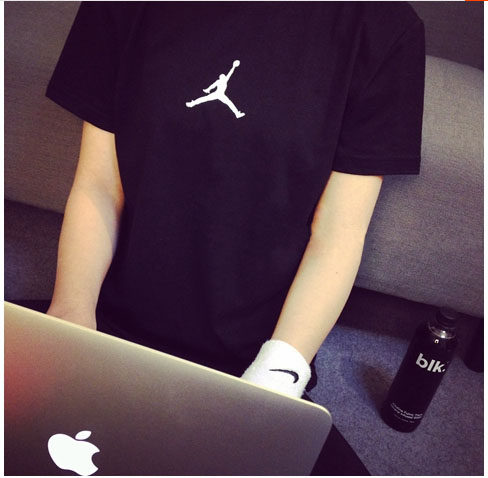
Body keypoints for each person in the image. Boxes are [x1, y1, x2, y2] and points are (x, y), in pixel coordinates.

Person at [45, 1, 425, 474]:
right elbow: (99, 186)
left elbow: (338, 235)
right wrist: (70, 321)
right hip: (110, 331)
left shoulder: (385, 28)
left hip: (254, 363)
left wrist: (276, 378)